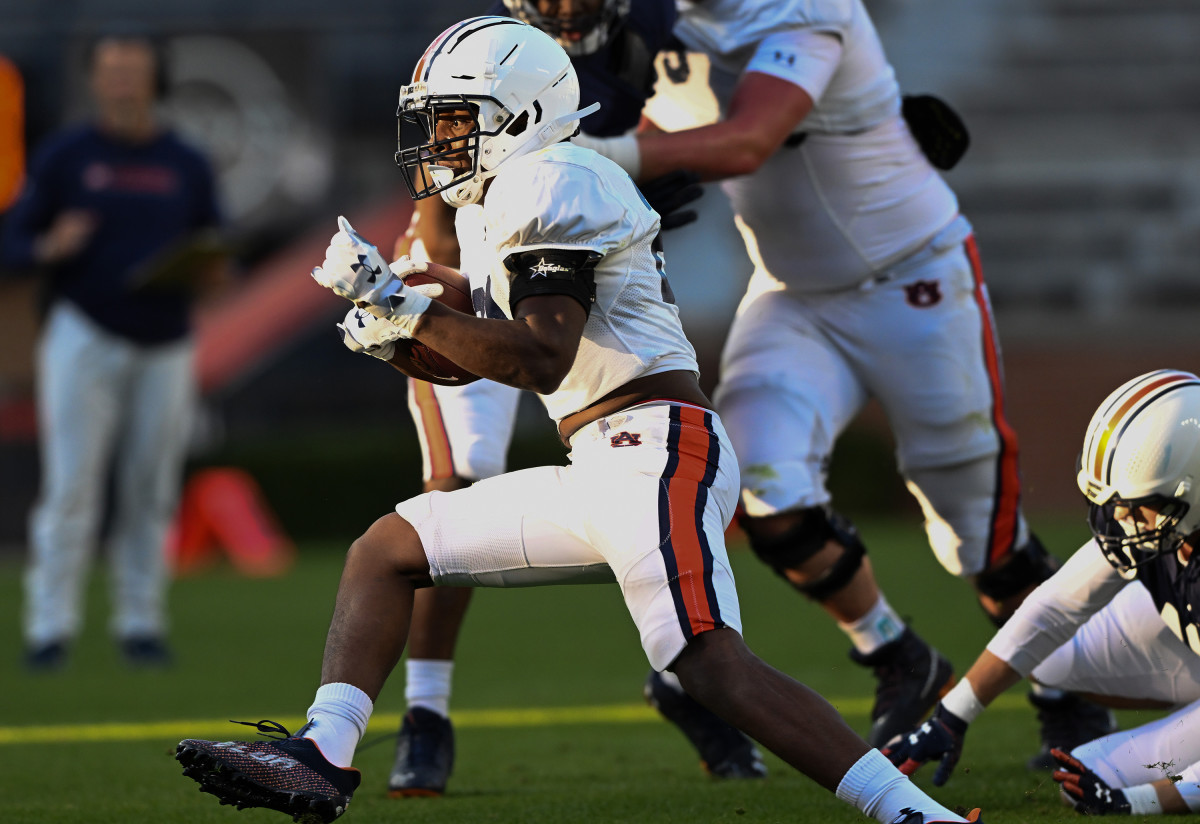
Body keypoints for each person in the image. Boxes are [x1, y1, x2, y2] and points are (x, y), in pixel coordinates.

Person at [175, 17, 982, 824]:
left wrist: (405, 308)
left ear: (519, 113)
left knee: (710, 667)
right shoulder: (503, 200)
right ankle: (323, 754)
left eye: (456, 117)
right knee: (387, 551)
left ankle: (912, 812)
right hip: (603, 460)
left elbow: (540, 359)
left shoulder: (556, 177)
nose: (439, 139)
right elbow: (478, 359)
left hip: (657, 446)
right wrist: (397, 339)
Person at [570, 0, 1115, 762]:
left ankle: (1072, 694)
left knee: (981, 540)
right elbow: (657, 118)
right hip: (791, 293)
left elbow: (749, 138)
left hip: (915, 285)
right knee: (765, 489)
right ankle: (896, 654)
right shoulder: (658, 24)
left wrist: (606, 160)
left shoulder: (802, 9)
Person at [382, 0, 757, 800]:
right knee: (457, 482)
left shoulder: (653, 31)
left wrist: (641, 179)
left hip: (568, 265)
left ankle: (693, 668)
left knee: (665, 484)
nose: (562, 7)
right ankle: (426, 713)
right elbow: (439, 198)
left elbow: (713, 115)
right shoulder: (486, 58)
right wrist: (430, 310)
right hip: (479, 270)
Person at [0, 30, 225, 670]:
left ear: (155, 79)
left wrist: (210, 271)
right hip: (85, 332)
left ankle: (141, 623)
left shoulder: (185, 160)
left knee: (150, 487)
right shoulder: (64, 157)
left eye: (134, 70)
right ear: (95, 81)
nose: (122, 81)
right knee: (71, 485)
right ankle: (49, 628)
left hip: (167, 338)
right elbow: (13, 244)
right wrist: (50, 247)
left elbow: (217, 238)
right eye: (110, 70)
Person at [882, 368, 1200, 817]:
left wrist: (1138, 801)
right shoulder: (1163, 519)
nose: (1123, 522)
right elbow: (1054, 609)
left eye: (1138, 507)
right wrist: (949, 719)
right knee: (1053, 667)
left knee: (1098, 782)